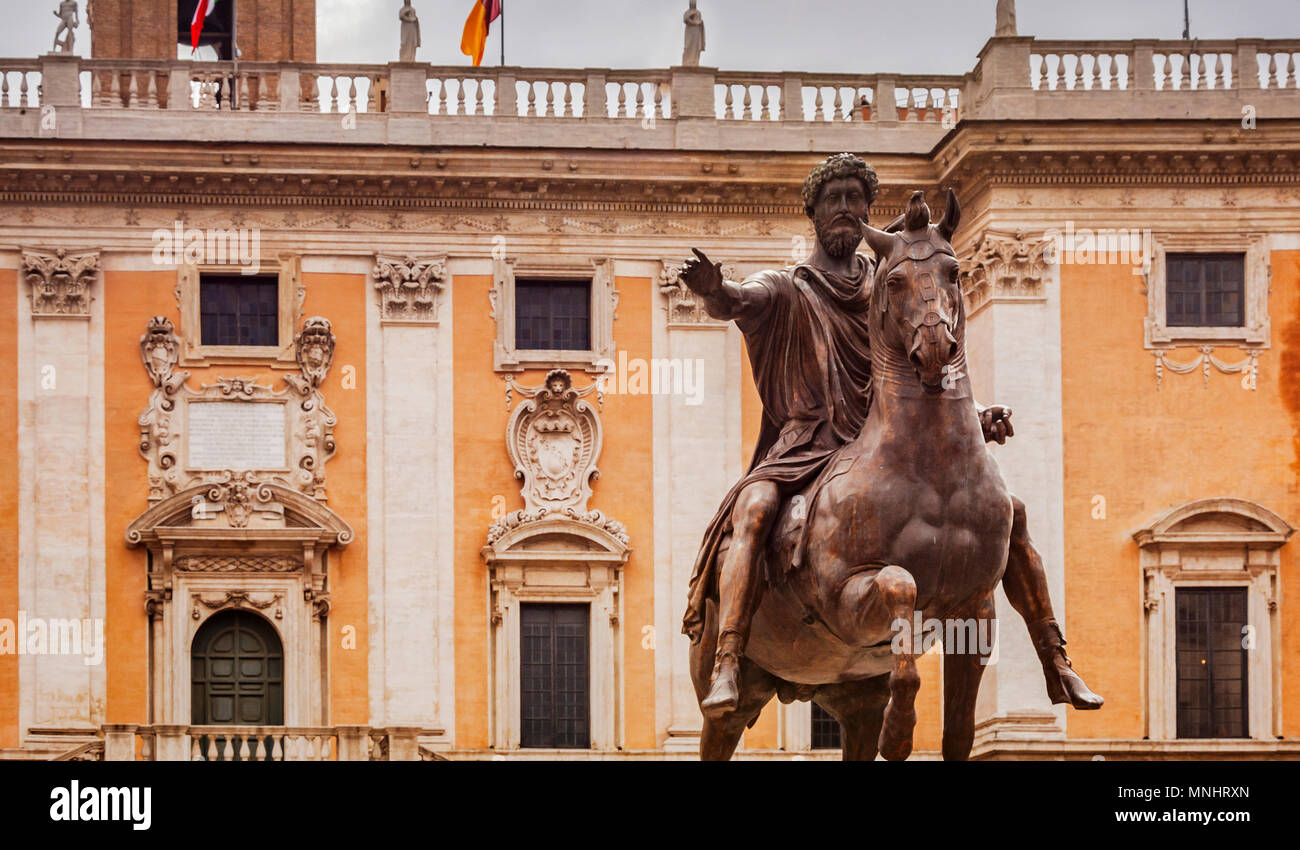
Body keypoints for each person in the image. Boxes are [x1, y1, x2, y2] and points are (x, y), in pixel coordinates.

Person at [679, 153, 1103, 717]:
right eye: (835, 199)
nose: (847, 210)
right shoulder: (788, 287)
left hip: (889, 446)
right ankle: (729, 658)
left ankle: (1055, 656)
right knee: (755, 509)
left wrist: (974, 413)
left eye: (857, 200)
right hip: (809, 446)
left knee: (1009, 512)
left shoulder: (894, 284)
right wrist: (715, 289)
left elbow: (919, 370)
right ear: (814, 212)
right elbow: (739, 301)